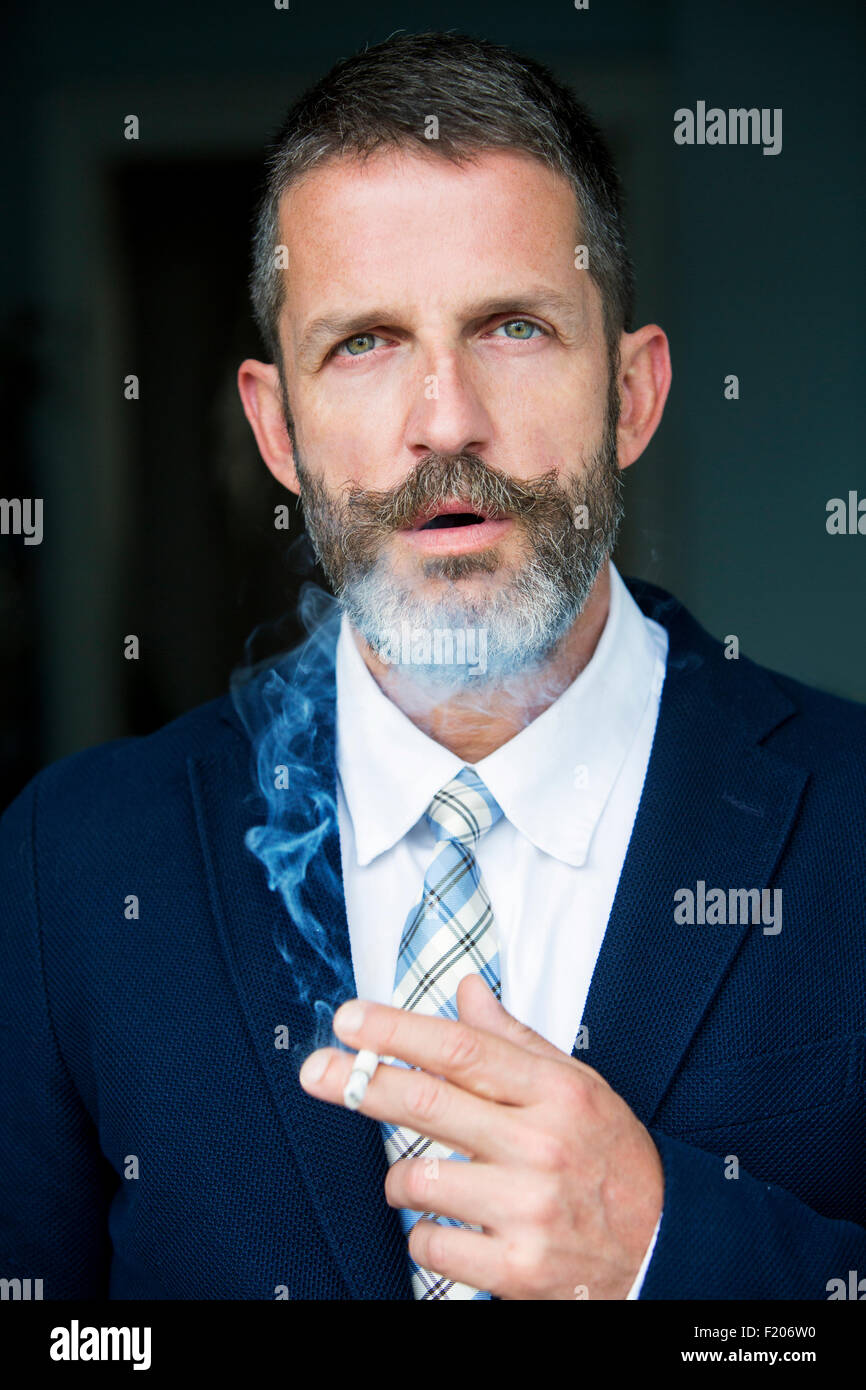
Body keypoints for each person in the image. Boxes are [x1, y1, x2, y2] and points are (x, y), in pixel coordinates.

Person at [1, 31, 864, 1302]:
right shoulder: (64, 868)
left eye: (512, 326)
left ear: (630, 394)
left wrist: (666, 1248)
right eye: (363, 343)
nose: (445, 419)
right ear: (273, 424)